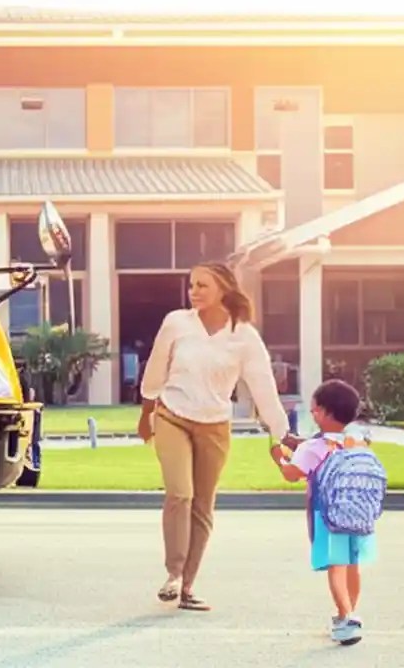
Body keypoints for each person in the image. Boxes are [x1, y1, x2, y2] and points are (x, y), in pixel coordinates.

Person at [137, 261, 293, 611]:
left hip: (214, 426)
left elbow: (263, 388)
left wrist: (282, 433)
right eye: (191, 285)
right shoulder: (177, 323)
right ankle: (173, 574)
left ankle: (188, 587)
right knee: (181, 493)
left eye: (202, 285)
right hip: (172, 415)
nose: (193, 291)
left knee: (203, 505)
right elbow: (156, 366)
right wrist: (147, 411)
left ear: (223, 288)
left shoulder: (244, 336)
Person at [269, 379, 380, 646]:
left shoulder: (312, 448)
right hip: (357, 513)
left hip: (328, 516)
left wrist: (279, 457)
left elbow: (292, 474)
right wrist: (298, 444)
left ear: (326, 413)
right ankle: (349, 612)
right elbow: (324, 448)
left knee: (336, 567)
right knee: (353, 565)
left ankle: (345, 619)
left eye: (315, 409)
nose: (313, 413)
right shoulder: (356, 441)